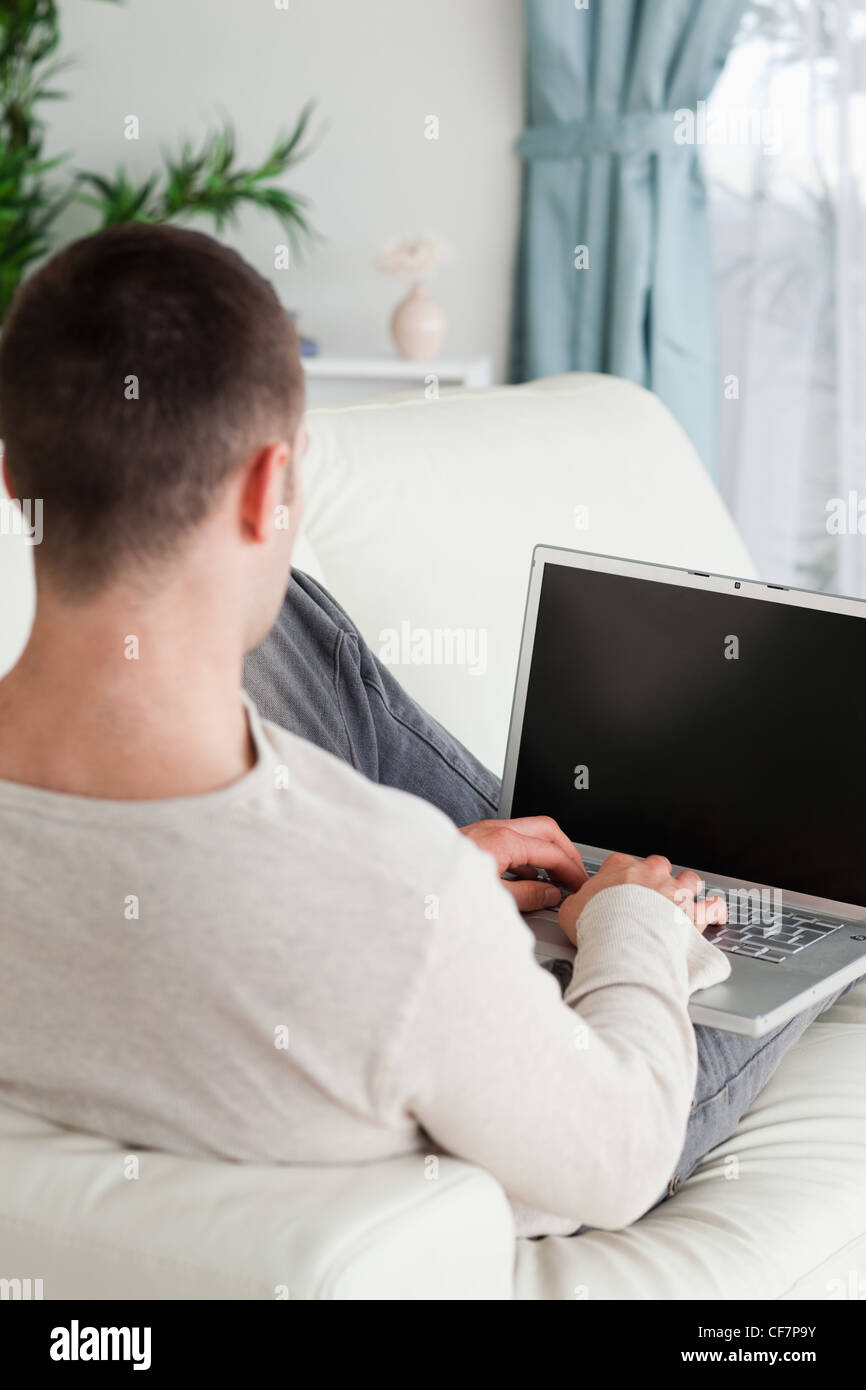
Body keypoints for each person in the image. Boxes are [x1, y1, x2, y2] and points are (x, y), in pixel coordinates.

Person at [0, 225, 833, 1239]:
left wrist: (428, 872)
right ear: (271, 490)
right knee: (744, 899)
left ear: (12, 475)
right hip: (513, 1078)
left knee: (299, 621)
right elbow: (614, 1160)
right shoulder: (391, 902)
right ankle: (661, 892)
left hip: (372, 961)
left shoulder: (395, 883)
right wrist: (633, 931)